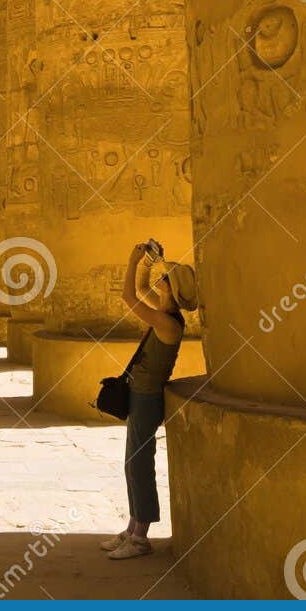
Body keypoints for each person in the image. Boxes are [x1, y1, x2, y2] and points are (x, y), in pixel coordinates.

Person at [101, 238, 198, 561]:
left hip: (147, 398)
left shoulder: (168, 323)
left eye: (165, 280)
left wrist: (129, 263)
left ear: (174, 291)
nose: (160, 281)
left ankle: (140, 537)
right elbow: (142, 287)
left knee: (140, 464)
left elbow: (129, 296)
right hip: (139, 394)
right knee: (133, 462)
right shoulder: (161, 309)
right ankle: (132, 528)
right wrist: (146, 262)